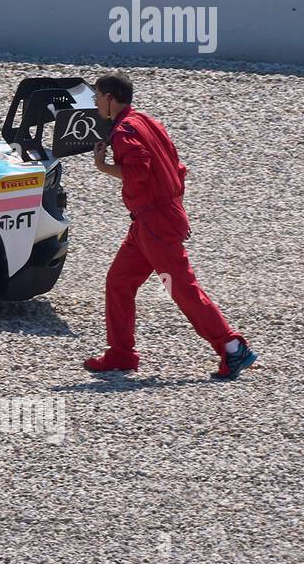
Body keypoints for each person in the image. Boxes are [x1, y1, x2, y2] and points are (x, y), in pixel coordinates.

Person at [84, 71, 258, 380]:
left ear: (110, 98)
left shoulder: (124, 131)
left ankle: (232, 347)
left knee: (181, 288)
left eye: (97, 96)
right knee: (119, 282)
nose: (95, 102)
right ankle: (121, 354)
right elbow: (178, 168)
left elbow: (137, 172)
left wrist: (104, 167)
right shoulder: (148, 122)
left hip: (154, 223)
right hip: (152, 221)